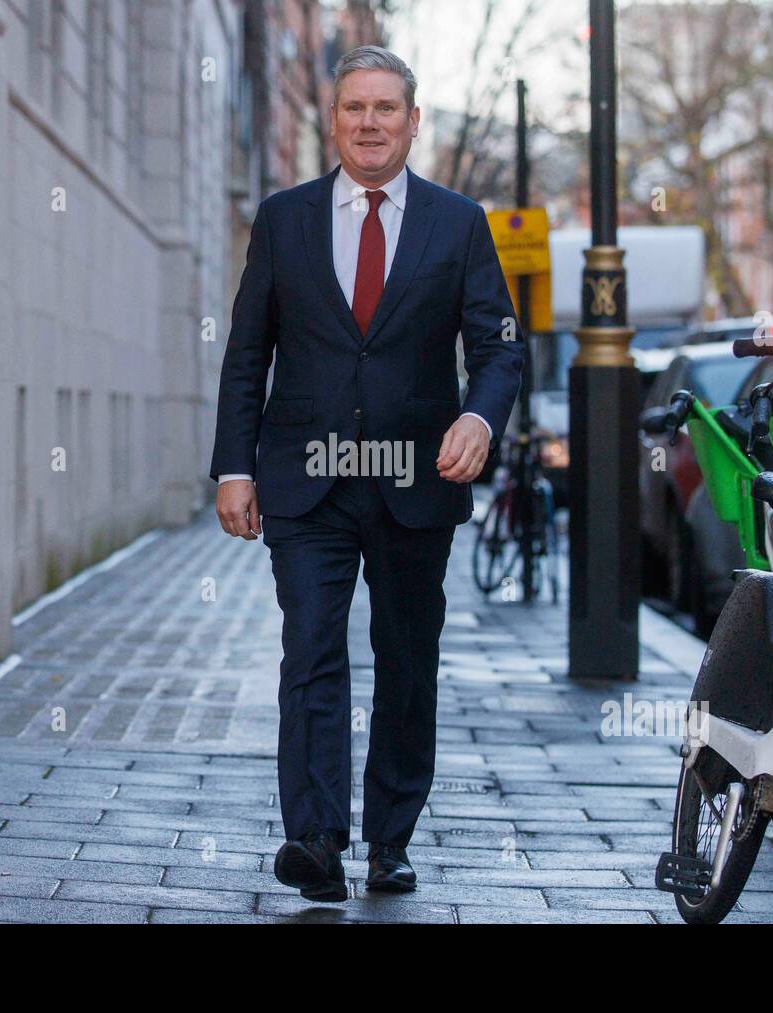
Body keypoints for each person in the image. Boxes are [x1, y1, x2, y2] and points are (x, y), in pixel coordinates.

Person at [209, 45, 523, 902]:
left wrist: (478, 415)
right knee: (310, 646)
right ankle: (315, 838)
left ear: (413, 121)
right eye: (356, 108)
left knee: (406, 658)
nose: (371, 123)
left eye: (387, 108)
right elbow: (247, 355)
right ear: (334, 121)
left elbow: (498, 348)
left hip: (418, 478)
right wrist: (234, 466)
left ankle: (390, 838)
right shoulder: (284, 219)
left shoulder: (458, 223)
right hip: (305, 476)